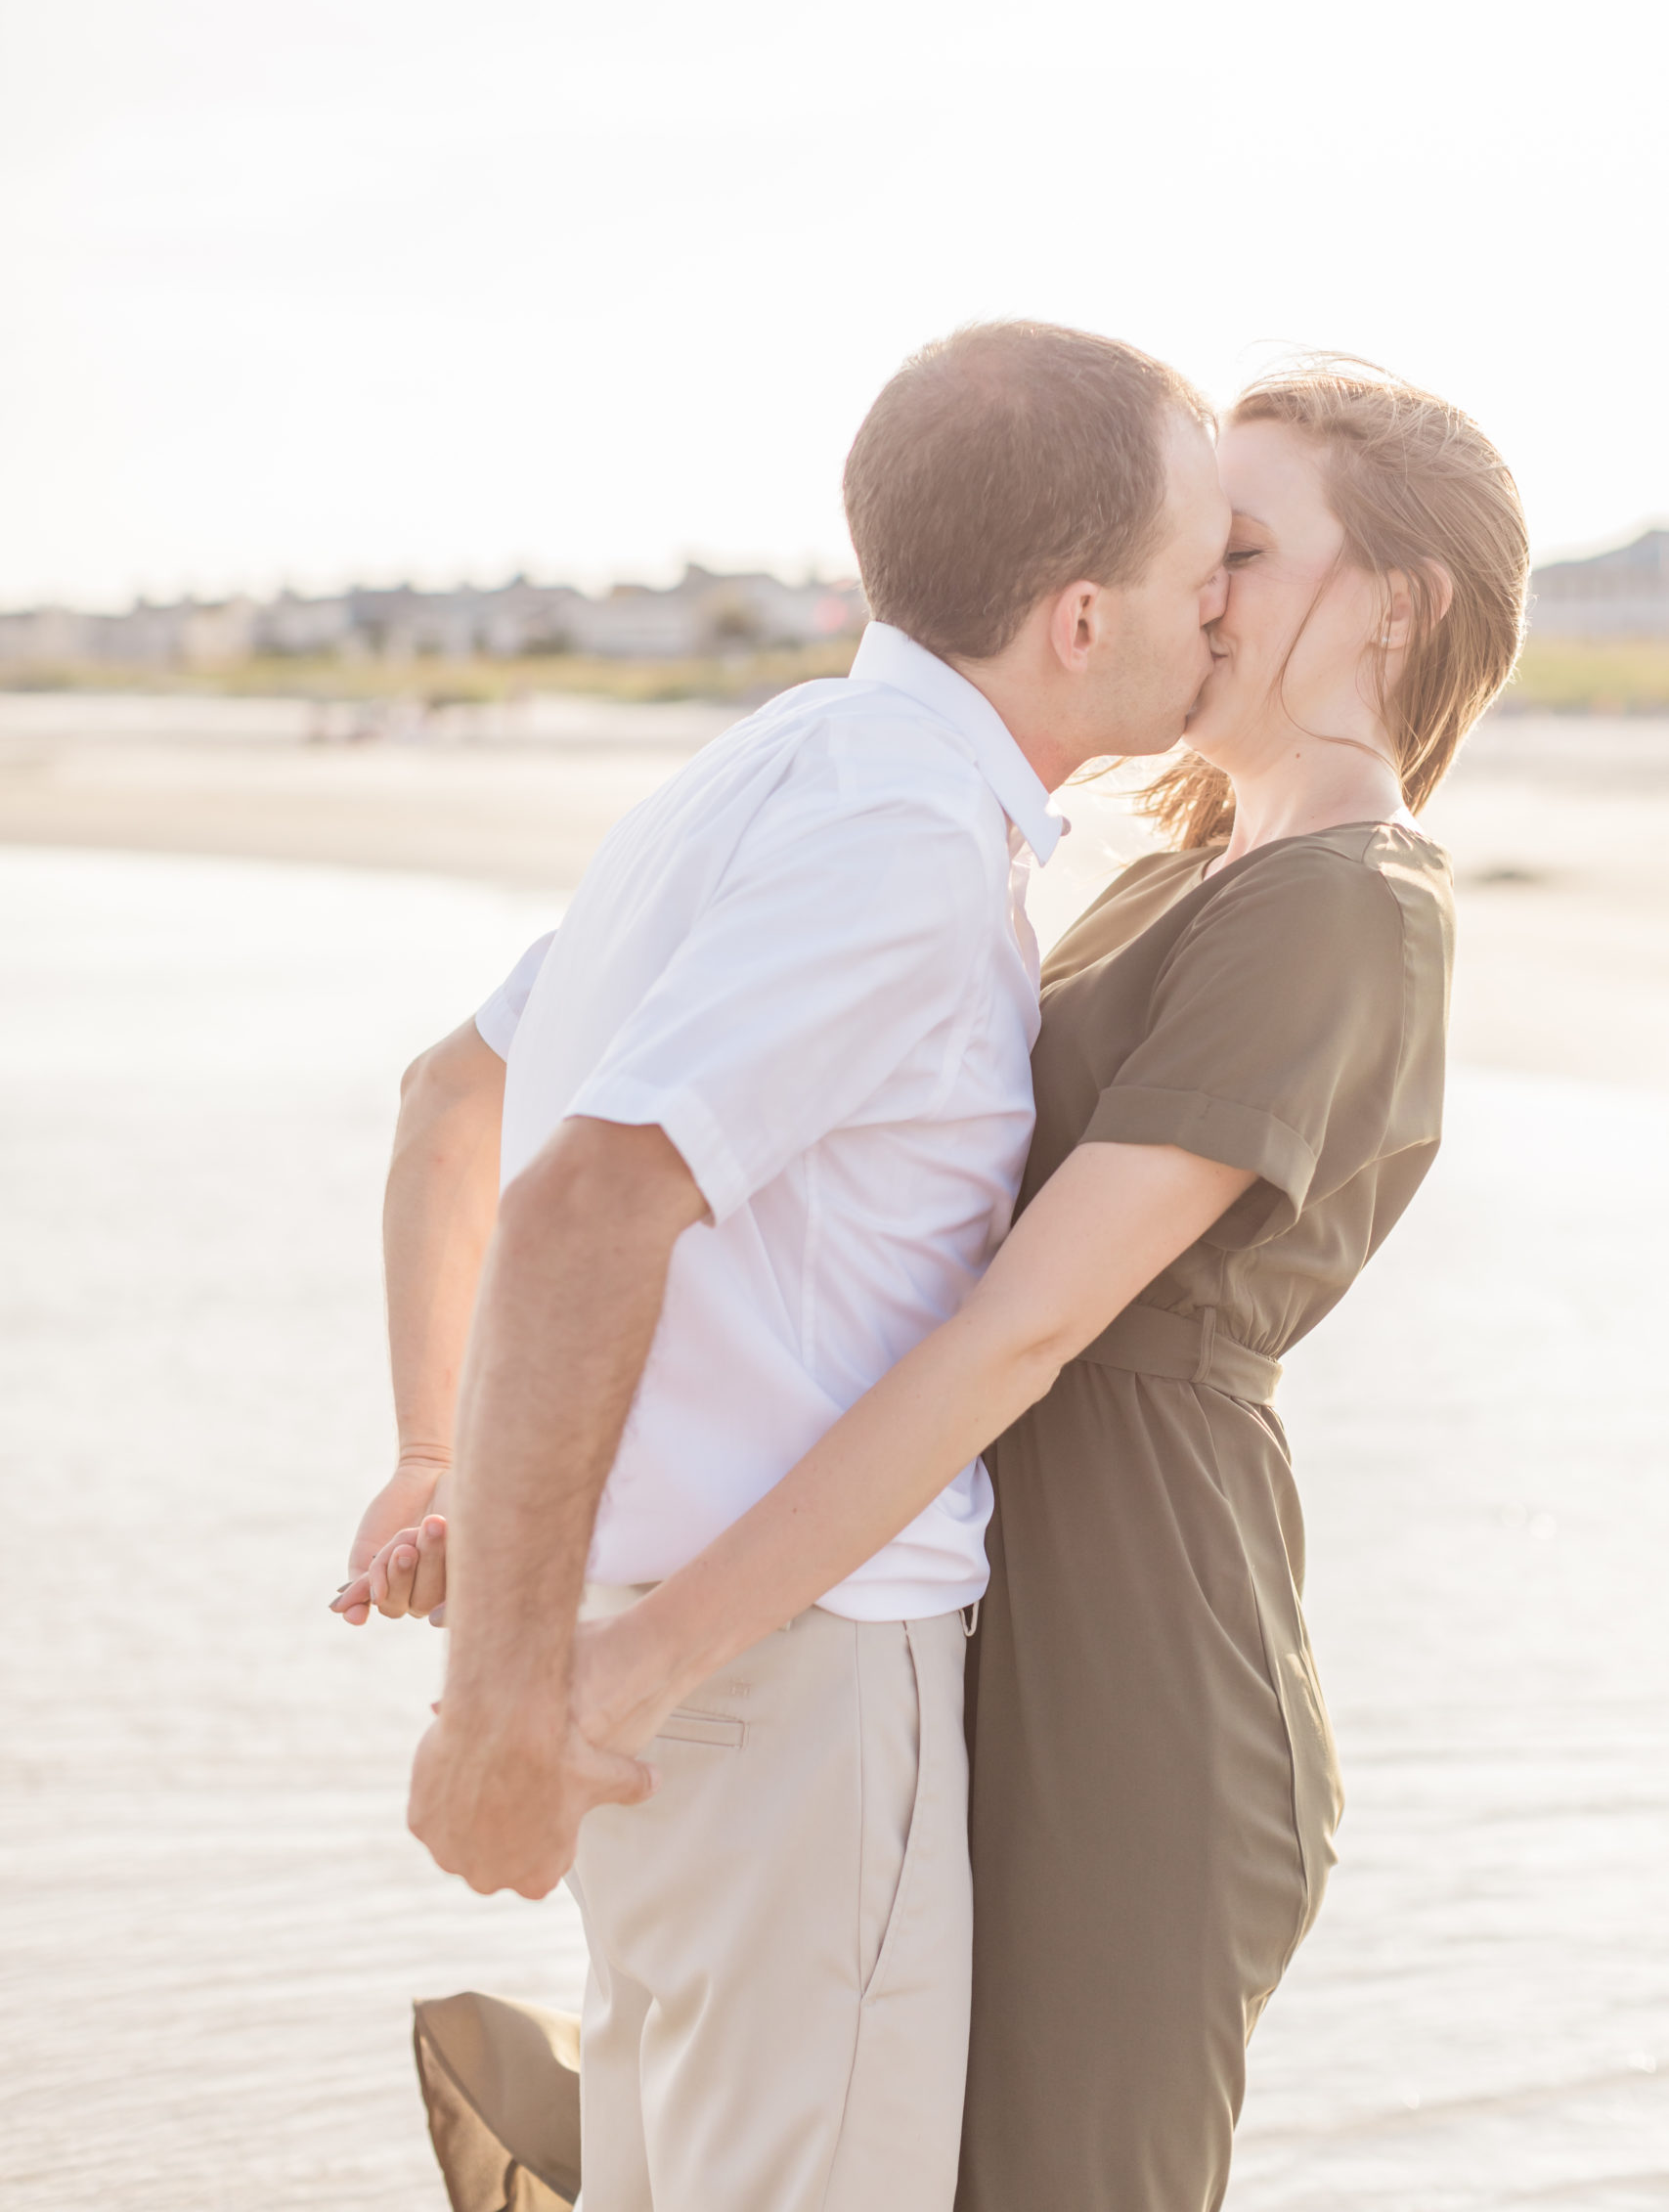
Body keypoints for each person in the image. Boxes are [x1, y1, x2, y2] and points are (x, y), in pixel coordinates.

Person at [455, 359, 1525, 2211]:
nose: (1203, 591)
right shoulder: (1147, 873)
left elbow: (1022, 1324)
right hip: (967, 1613)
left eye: (1248, 550)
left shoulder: (1349, 899)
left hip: (1131, 1653)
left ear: (1400, 606)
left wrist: (637, 1662)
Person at [333, 320, 1233, 2212]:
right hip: (787, 1696)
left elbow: (448, 1105)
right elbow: (581, 1201)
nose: (1222, 607)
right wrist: (494, 1704)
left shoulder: (773, 770)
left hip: (668, 1672)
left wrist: (439, 1466)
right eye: (1198, 563)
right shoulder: (904, 841)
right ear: (1078, 618)